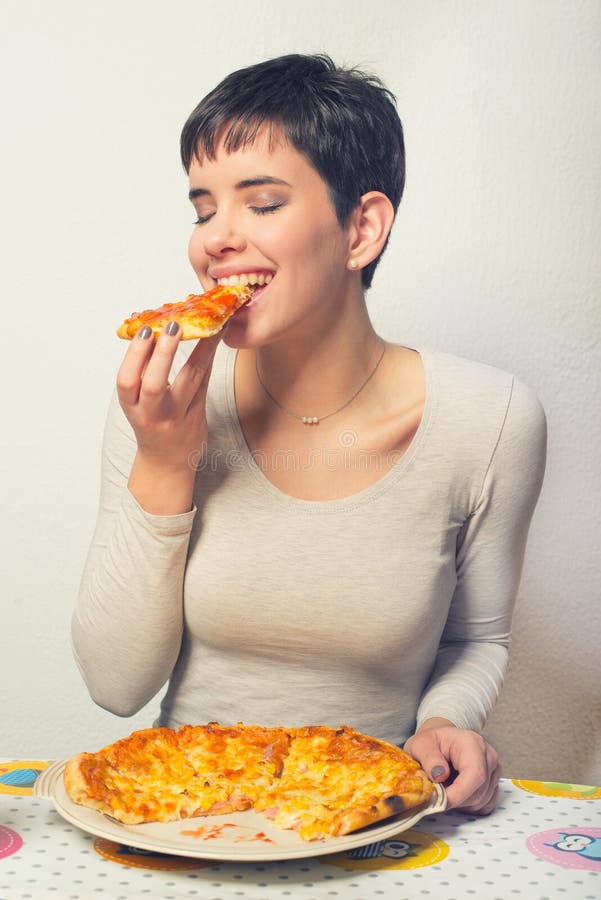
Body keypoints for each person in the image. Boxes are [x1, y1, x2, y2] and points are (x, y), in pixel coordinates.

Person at [72, 53, 547, 816]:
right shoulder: (162, 404)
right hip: (182, 816)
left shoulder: (489, 420)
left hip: (366, 815)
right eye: (202, 209)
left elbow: (474, 643)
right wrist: (164, 463)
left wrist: (443, 722)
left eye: (260, 203)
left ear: (361, 228)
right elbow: (114, 687)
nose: (214, 240)